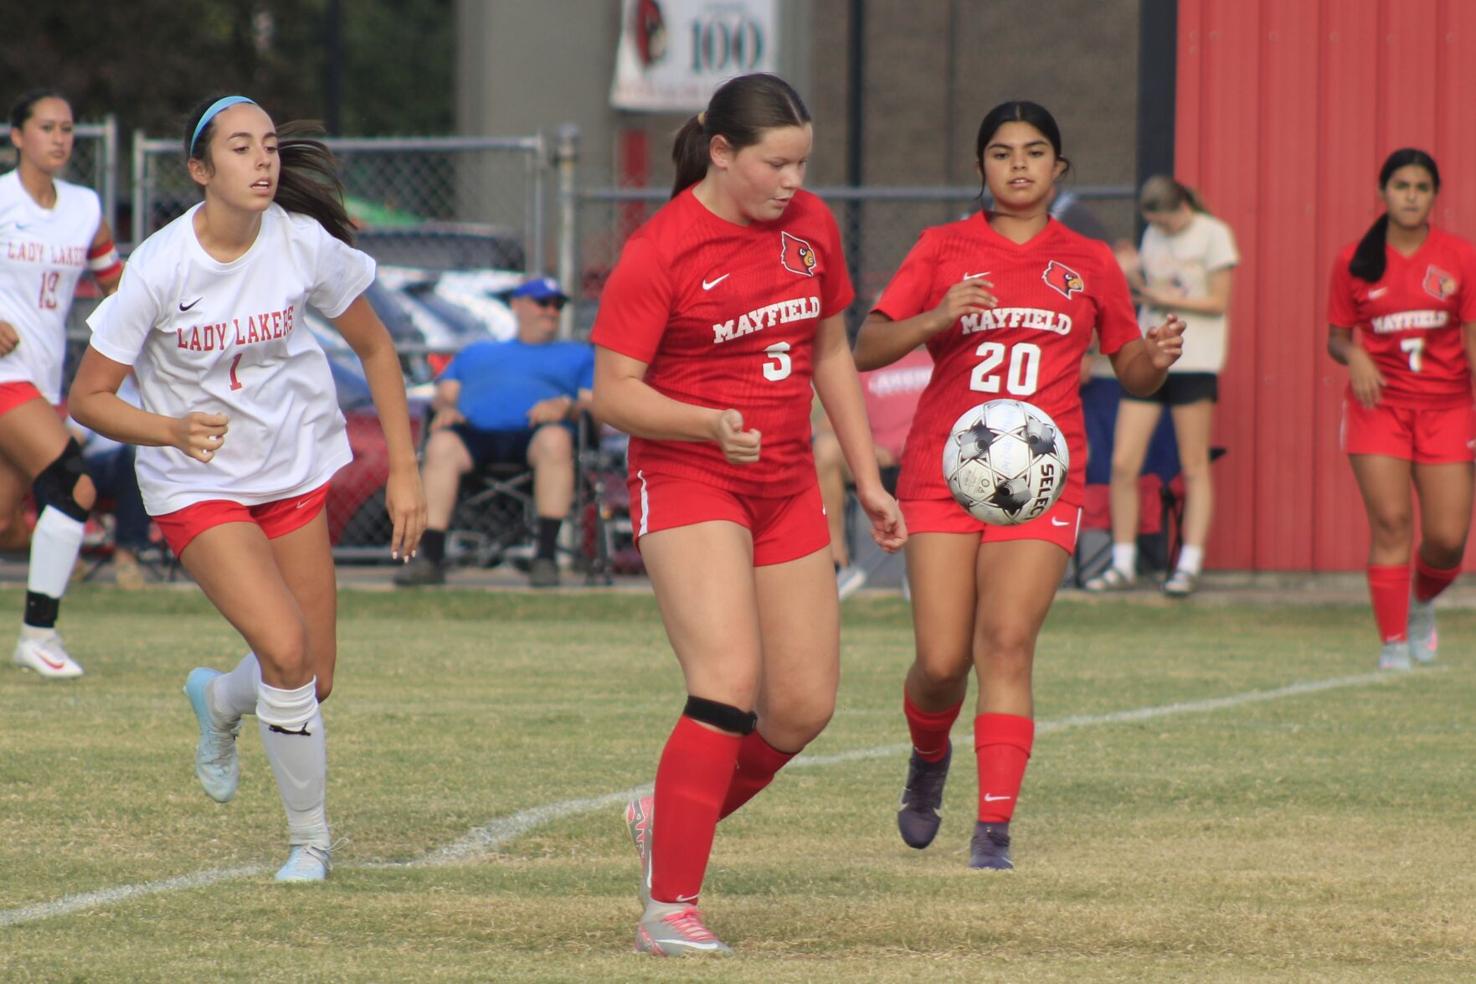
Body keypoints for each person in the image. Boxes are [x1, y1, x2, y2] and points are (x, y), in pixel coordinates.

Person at [70, 95, 425, 881]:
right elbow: (87, 399)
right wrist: (170, 429)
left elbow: (376, 347)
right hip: (196, 484)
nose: (263, 159)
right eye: (240, 148)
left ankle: (223, 699)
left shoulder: (301, 244)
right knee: (288, 651)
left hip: (293, 467)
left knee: (312, 677)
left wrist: (406, 471)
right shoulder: (160, 268)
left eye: (268, 145)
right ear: (201, 170)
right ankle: (311, 841)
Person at [591, 73, 905, 956]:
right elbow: (612, 395)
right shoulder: (661, 251)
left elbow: (832, 350)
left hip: (785, 483)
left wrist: (871, 475)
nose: (792, 182)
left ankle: (667, 813)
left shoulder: (811, 228)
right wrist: (703, 422)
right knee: (727, 683)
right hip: (691, 478)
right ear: (721, 151)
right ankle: (668, 912)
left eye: (802, 162)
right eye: (776, 163)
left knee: (801, 706)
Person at [853, 100, 1183, 871]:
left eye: (1036, 152)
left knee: (1005, 642)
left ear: (1059, 168)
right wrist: (937, 316)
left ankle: (993, 828)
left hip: (1043, 478)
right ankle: (927, 760)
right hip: (944, 474)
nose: (1020, 165)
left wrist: (1155, 358)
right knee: (941, 662)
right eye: (1001, 153)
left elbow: (1128, 364)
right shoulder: (943, 247)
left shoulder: (1091, 259)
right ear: (981, 169)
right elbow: (867, 345)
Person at [1326, 148, 1476, 671]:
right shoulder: (1355, 260)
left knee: (1447, 540)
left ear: (1434, 196)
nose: (1411, 195)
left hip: (1448, 407)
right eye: (1401, 185)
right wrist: (1357, 355)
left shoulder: (1459, 256)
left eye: (1421, 187)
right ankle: (1393, 644)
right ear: (1383, 192)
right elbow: (1337, 339)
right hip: (1380, 408)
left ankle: (1420, 604)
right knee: (1391, 524)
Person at [1, 89, 123, 678]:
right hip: (5, 379)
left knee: (4, 522)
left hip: (42, 381)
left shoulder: (83, 207)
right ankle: (38, 636)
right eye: (45, 126)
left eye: (67, 128)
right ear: (17, 135)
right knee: (72, 488)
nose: (58, 137)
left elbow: (115, 283)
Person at [1084, 176, 1238, 597]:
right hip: (1151, 358)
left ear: (1183, 206)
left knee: (1193, 464)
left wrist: (1155, 293)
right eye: (1156, 224)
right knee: (1122, 462)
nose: (1163, 231)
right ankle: (1122, 562)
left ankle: (1188, 564)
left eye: (1168, 223)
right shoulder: (1151, 234)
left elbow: (1217, 302)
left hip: (1197, 360)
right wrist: (1132, 273)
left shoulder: (1214, 234)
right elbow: (1146, 295)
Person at [394, 275, 592, 588]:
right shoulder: (479, 352)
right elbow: (445, 392)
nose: (551, 311)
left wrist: (566, 405)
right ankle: (430, 558)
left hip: (536, 436)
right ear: (517, 305)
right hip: (475, 435)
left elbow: (594, 401)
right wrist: (446, 408)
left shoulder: (578, 354)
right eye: (543, 303)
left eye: (557, 305)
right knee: (442, 444)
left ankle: (545, 556)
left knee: (556, 440)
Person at [812, 345, 931, 597]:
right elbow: (824, 427)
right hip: (876, 461)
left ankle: (924, 567)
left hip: (927, 456)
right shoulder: (870, 358)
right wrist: (869, 448)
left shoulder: (939, 358)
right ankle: (838, 565)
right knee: (824, 449)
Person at [72, 376, 152, 589]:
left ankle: (125, 553)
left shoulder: (164, 393)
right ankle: (67, 555)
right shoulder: (107, 386)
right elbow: (75, 433)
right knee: (52, 462)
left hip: (141, 470)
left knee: (135, 459)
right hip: (96, 466)